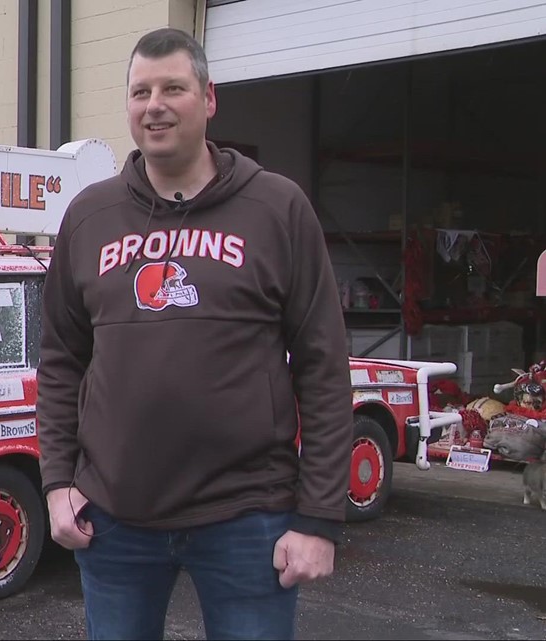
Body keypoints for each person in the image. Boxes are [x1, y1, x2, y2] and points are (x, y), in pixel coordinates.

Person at [36, 27, 353, 640]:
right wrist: (56, 484)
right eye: (140, 91)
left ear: (208, 99)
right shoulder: (90, 217)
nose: (154, 104)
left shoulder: (277, 207)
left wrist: (317, 518)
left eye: (173, 88)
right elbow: (61, 360)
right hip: (113, 519)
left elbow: (323, 366)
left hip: (247, 518)